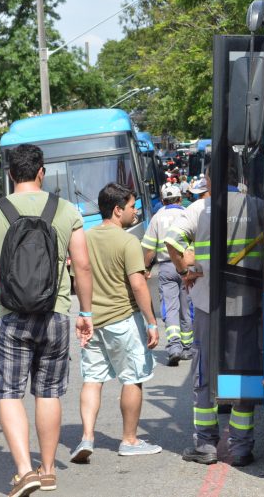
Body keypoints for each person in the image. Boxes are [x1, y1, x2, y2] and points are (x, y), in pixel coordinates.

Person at [0, 143, 94, 497]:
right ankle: (47, 471)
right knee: (48, 393)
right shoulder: (65, 210)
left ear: (9, 174)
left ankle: (23, 470)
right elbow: (82, 266)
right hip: (55, 314)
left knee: (9, 394)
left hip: (9, 317)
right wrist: (85, 313)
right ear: (41, 172)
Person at [164, 154, 264, 467]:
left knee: (205, 372)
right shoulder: (257, 207)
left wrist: (185, 270)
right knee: (244, 372)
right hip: (247, 304)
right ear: (239, 177)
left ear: (210, 179)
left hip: (208, 304)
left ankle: (206, 444)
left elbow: (172, 240)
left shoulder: (199, 209)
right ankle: (240, 447)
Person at [70, 183, 160, 464]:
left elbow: (78, 280)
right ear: (118, 210)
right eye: (132, 206)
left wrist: (86, 312)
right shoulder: (128, 241)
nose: (135, 212)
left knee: (92, 379)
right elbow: (138, 285)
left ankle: (87, 437)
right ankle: (129, 440)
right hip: (124, 320)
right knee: (132, 378)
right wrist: (152, 321)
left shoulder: (85, 238)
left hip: (93, 322)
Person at [142, 183, 193, 366]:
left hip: (166, 267)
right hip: (187, 266)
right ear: (180, 199)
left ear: (163, 201)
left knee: (170, 307)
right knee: (187, 307)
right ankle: (188, 347)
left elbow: (149, 248)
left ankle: (174, 347)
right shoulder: (187, 213)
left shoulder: (157, 217)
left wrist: (146, 267)